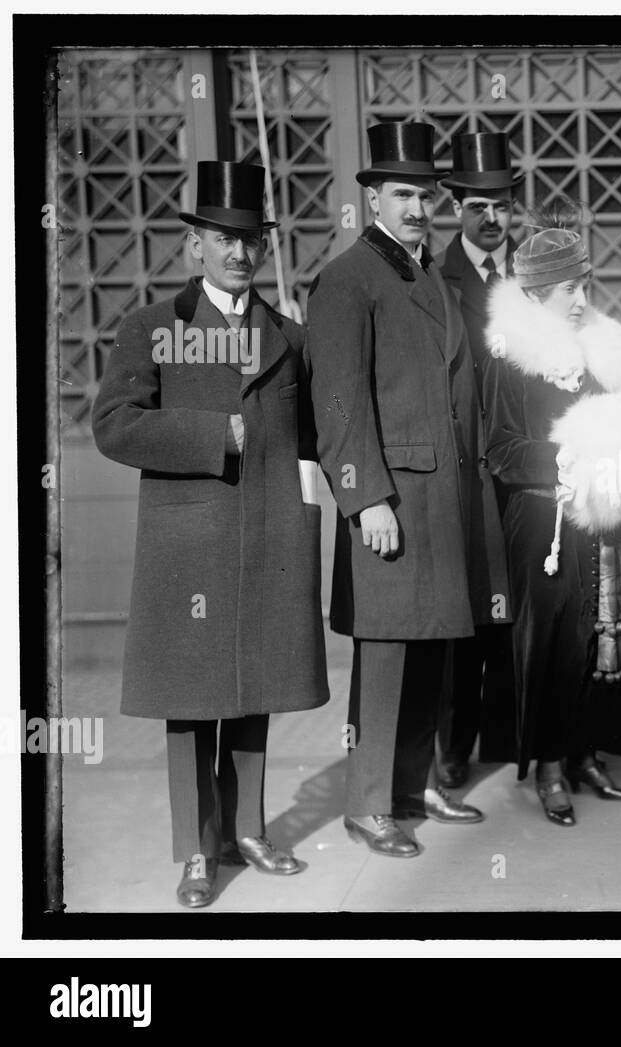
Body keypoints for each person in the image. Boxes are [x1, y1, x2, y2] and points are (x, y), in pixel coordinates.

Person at [92, 160, 328, 907]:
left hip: (267, 538)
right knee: (190, 700)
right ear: (194, 243)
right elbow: (113, 425)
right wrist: (213, 435)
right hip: (187, 547)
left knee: (258, 687)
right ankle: (197, 850)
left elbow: (321, 434)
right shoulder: (151, 328)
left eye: (249, 238)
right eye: (223, 238)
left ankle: (247, 829)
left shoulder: (288, 335)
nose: (238, 252)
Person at [306, 122, 510, 857]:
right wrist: (364, 498)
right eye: (402, 195)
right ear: (372, 200)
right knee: (388, 653)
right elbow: (337, 400)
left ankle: (409, 786)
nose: (417, 208)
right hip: (389, 500)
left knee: (430, 650)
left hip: (441, 500)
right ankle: (368, 805)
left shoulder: (429, 278)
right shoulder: (347, 279)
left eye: (425, 195)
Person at [482, 199, 621, 826]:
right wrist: (563, 457)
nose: (580, 300)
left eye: (584, 286)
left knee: (594, 636)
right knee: (551, 643)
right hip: (543, 525)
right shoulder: (510, 355)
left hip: (601, 519)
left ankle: (586, 753)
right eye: (567, 290)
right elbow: (499, 448)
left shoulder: (605, 352)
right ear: (536, 294)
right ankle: (549, 765)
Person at [432, 131, 523, 788]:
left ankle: (517, 739)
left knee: (520, 607)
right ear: (456, 208)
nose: (492, 219)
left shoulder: (537, 274)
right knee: (464, 612)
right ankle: (453, 747)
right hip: (463, 469)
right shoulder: (433, 281)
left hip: (529, 466)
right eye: (477, 207)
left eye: (502, 206)